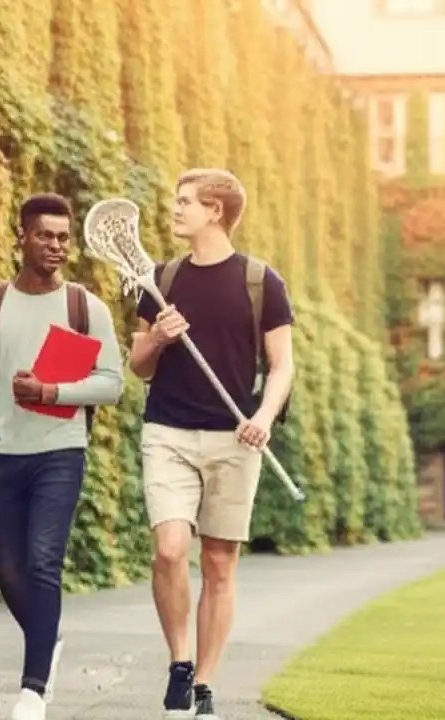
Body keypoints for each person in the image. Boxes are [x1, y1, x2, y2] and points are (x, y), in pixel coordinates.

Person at [128, 169, 296, 720]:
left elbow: (281, 365)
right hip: (169, 433)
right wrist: (158, 336)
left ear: (215, 212)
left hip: (235, 439)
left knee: (220, 565)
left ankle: (204, 683)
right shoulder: (161, 279)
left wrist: (264, 416)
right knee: (170, 549)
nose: (174, 210)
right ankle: (180, 663)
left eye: (185, 202)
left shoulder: (260, 281)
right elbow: (139, 367)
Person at [0, 193, 125, 720]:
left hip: (61, 452)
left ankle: (33, 689)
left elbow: (111, 384)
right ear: (22, 237)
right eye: (45, 235)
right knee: (9, 570)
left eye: (63, 237)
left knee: (41, 563)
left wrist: (51, 392)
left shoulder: (86, 307)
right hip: (4, 454)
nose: (56, 245)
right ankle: (47, 638)